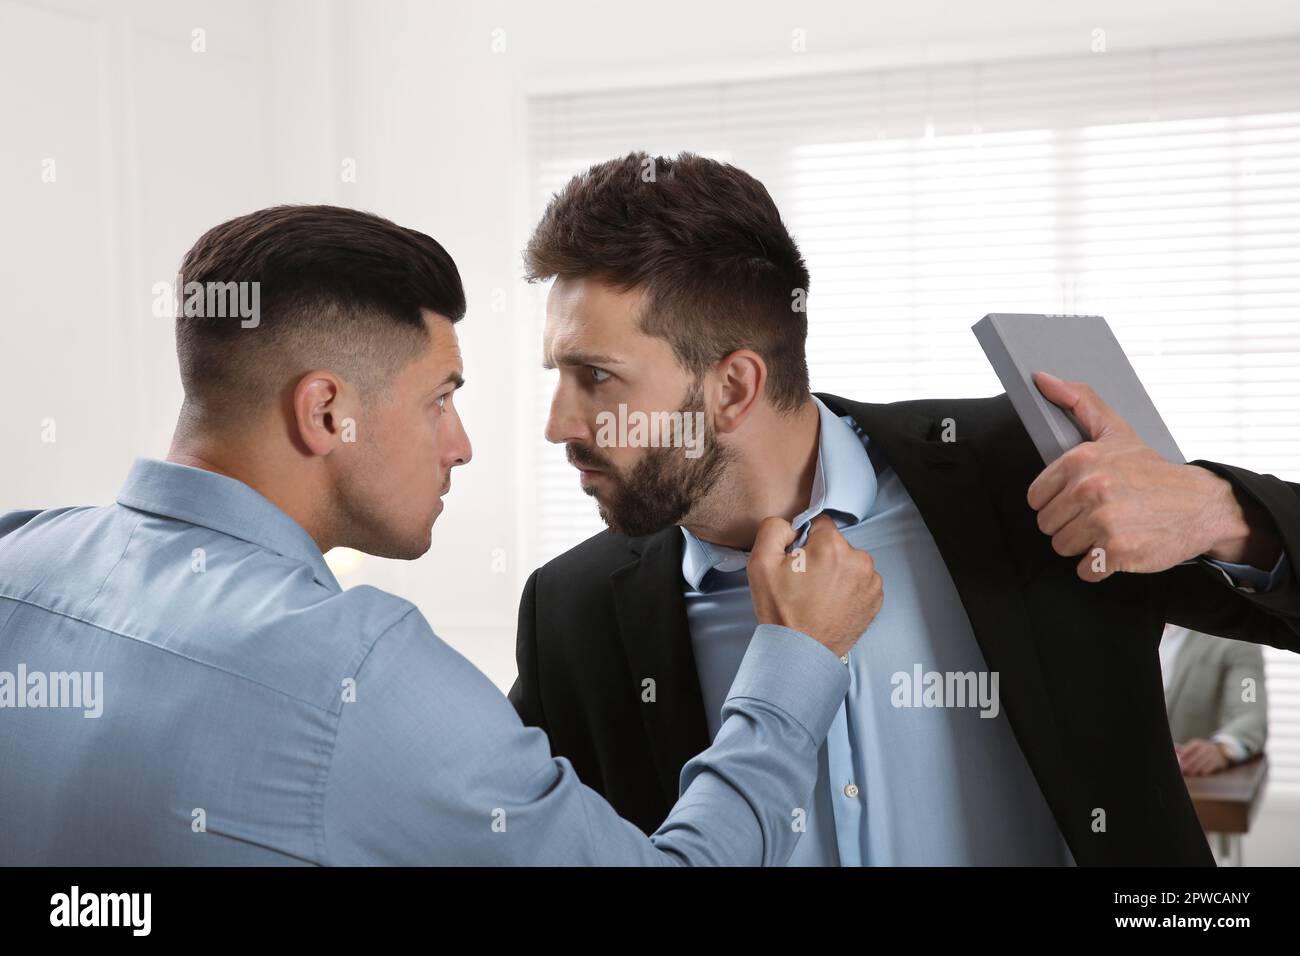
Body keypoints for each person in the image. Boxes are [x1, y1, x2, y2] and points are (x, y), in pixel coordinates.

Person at [0, 204, 884, 865]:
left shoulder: (16, 558)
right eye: (440, 398)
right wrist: (793, 662)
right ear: (326, 411)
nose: (460, 445)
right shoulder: (360, 677)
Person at [509, 151, 1300, 866]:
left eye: (597, 377)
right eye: (556, 374)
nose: (559, 425)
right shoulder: (570, 613)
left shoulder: (1026, 468)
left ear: (733, 387)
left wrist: (1216, 512)